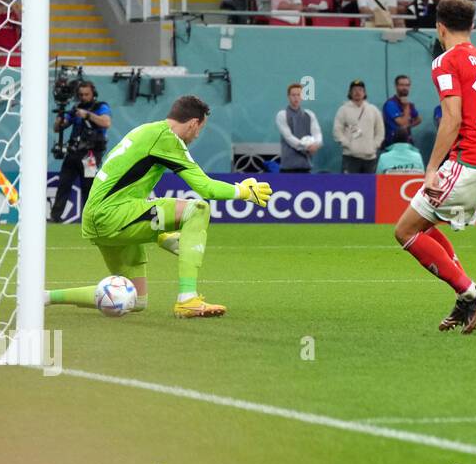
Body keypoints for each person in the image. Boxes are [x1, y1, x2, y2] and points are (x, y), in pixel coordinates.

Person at [45, 95, 273, 318]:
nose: (197, 135)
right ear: (193, 123)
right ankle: (187, 299)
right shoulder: (168, 139)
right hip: (113, 215)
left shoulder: (145, 130)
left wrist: (159, 234)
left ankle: (45, 297)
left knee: (136, 301)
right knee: (198, 209)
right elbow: (207, 189)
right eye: (200, 129)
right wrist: (243, 191)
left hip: (98, 218)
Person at [393, 0, 476, 335]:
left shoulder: (445, 61)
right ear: (472, 27)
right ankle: (465, 297)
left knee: (405, 231)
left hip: (468, 162)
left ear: (439, 28)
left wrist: (431, 168)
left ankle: (471, 292)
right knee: (423, 224)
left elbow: (451, 118)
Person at [49, 80, 112, 223]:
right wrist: (61, 115)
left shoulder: (100, 107)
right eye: (81, 94)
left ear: (93, 94)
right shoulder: (75, 109)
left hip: (90, 154)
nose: (84, 97)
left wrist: (88, 115)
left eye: (86, 94)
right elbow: (58, 127)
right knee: (63, 184)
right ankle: (55, 217)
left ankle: (90, 219)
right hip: (73, 152)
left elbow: (106, 122)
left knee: (88, 187)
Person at [332, 79, 385, 174]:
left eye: (360, 90)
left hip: (370, 158)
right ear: (350, 92)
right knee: (349, 186)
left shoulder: (373, 110)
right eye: (354, 90)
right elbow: (337, 131)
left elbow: (380, 131)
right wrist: (348, 145)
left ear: (364, 93)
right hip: (350, 157)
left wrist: (374, 146)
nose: (357, 92)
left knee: (369, 187)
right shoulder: (343, 110)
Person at [275, 82, 323, 173]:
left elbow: (317, 133)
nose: (296, 97)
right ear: (288, 96)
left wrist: (316, 144)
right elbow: (289, 137)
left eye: (298, 95)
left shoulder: (309, 114)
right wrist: (307, 147)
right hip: (288, 166)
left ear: (302, 97)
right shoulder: (281, 115)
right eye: (293, 95)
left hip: (306, 165)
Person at [380, 75, 421, 149]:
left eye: (407, 85)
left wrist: (409, 125)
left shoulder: (409, 104)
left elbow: (418, 119)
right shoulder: (391, 104)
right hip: (393, 144)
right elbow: (403, 123)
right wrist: (406, 107)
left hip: (407, 143)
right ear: (396, 86)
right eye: (401, 85)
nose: (404, 88)